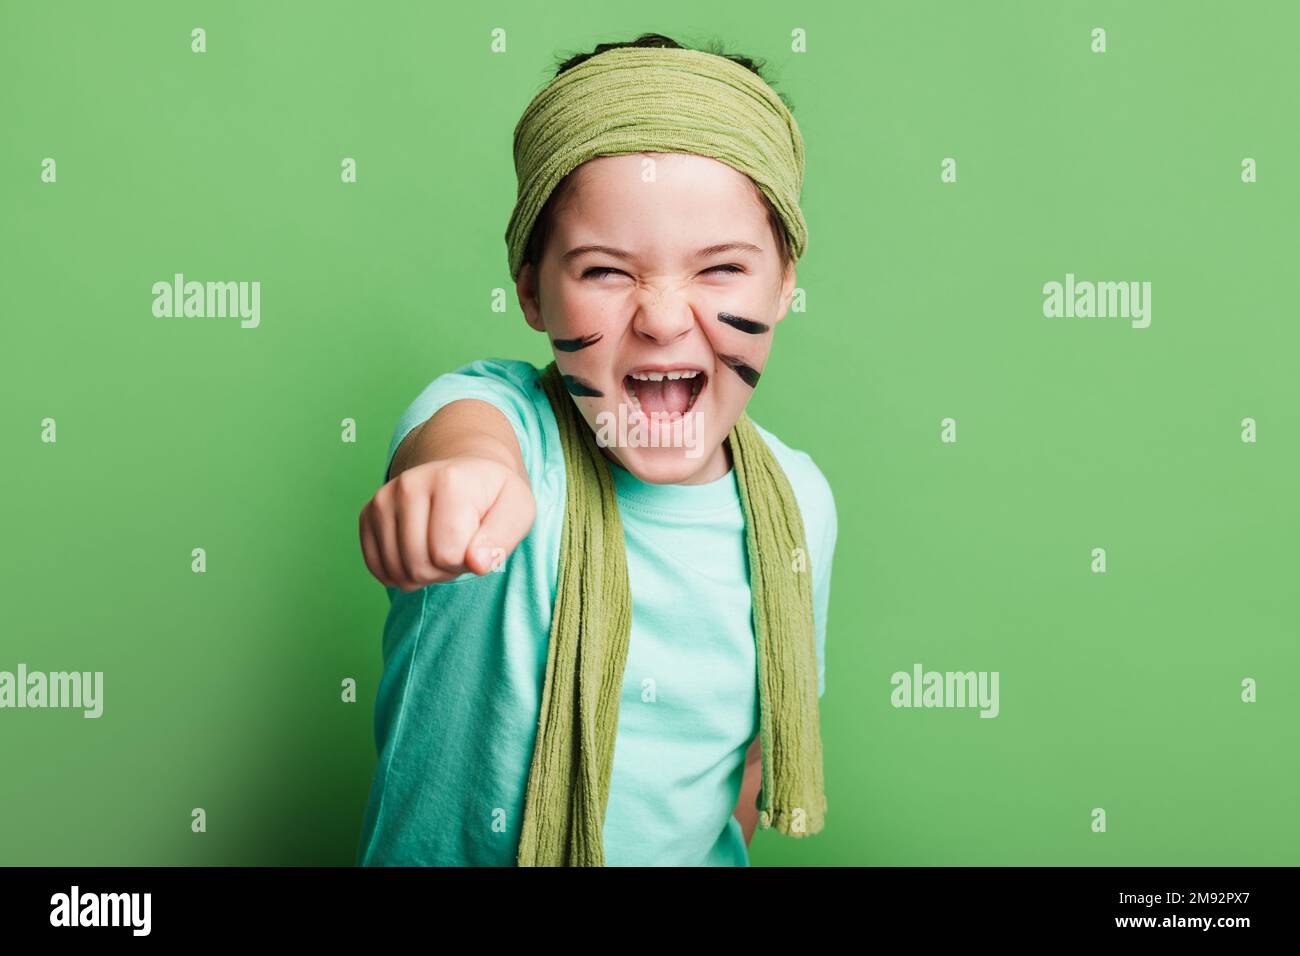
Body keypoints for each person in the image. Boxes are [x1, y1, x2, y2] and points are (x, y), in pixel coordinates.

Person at [356, 32, 837, 866]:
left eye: (721, 268)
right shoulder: (496, 422)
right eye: (607, 271)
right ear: (532, 289)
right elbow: (461, 446)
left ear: (785, 282)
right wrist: (460, 483)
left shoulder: (798, 506)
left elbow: (749, 761)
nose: (659, 317)